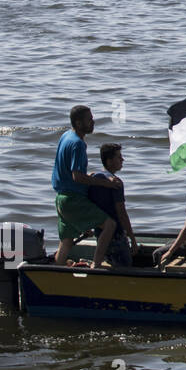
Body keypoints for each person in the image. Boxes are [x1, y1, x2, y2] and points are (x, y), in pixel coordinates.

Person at [52, 105, 119, 267]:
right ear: (78, 123)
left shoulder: (66, 136)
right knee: (110, 225)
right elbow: (77, 177)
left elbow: (71, 172)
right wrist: (106, 183)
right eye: (89, 119)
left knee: (67, 241)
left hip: (61, 199)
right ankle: (96, 266)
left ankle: (56, 272)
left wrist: (89, 176)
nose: (93, 122)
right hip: (73, 199)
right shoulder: (78, 144)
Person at [87, 143, 138, 268]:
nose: (122, 159)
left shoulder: (94, 179)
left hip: (100, 233)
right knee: (124, 266)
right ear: (109, 161)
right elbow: (121, 213)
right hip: (116, 236)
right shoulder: (116, 183)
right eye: (119, 157)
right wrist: (132, 237)